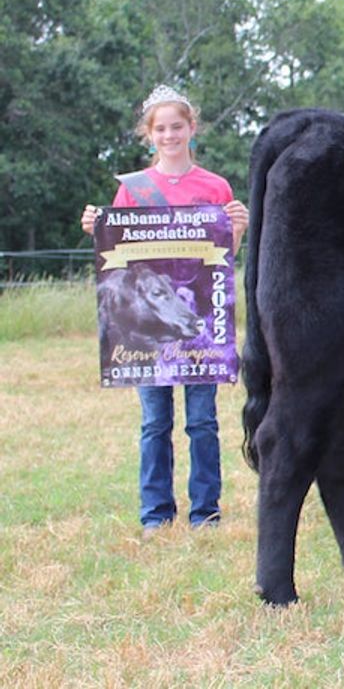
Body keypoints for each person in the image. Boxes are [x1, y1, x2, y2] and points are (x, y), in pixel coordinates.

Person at [81, 85, 249, 534]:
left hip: (200, 323)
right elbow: (119, 260)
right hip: (148, 327)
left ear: (191, 129)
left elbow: (222, 257)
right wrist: (95, 230)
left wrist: (238, 230)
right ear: (149, 135)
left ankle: (205, 512)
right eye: (161, 128)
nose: (170, 135)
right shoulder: (133, 190)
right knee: (155, 423)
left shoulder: (215, 186)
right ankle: (156, 514)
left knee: (202, 421)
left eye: (177, 126)